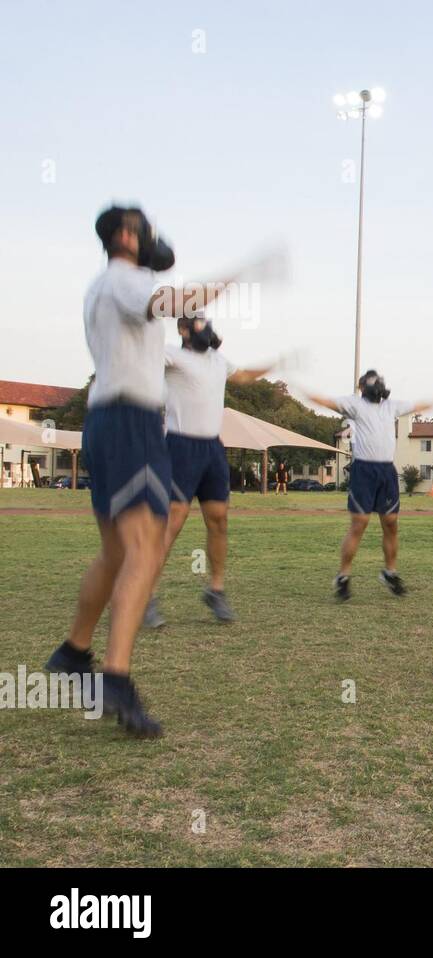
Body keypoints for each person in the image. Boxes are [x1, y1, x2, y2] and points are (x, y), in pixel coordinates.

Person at [44, 204, 240, 737]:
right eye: (145, 228)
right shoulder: (126, 281)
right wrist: (232, 279)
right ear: (128, 236)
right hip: (132, 424)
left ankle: (73, 651)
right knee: (143, 550)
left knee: (114, 552)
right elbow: (167, 300)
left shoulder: (101, 288)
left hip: (108, 421)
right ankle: (116, 677)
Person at [141, 313, 277, 627]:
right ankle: (144, 595)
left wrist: (276, 363)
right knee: (171, 522)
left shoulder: (219, 360)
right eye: (198, 323)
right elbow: (142, 356)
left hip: (213, 449)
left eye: (207, 321)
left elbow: (242, 375)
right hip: (179, 447)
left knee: (218, 521)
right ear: (182, 329)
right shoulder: (171, 355)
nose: (206, 327)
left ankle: (215, 590)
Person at [306, 371, 433, 600]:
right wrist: (307, 393)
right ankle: (343, 577)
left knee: (391, 524)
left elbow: (417, 405)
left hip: (386, 471)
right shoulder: (354, 404)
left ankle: (390, 572)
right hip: (364, 471)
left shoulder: (391, 407)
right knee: (360, 523)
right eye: (371, 381)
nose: (376, 384)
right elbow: (327, 402)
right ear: (362, 386)